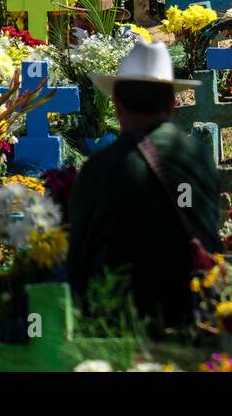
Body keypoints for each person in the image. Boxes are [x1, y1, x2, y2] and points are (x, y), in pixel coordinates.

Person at [69, 40, 219, 331]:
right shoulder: (198, 156)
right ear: (173, 105)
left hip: (118, 325)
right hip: (190, 317)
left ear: (117, 104)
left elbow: (79, 263)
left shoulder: (98, 169)